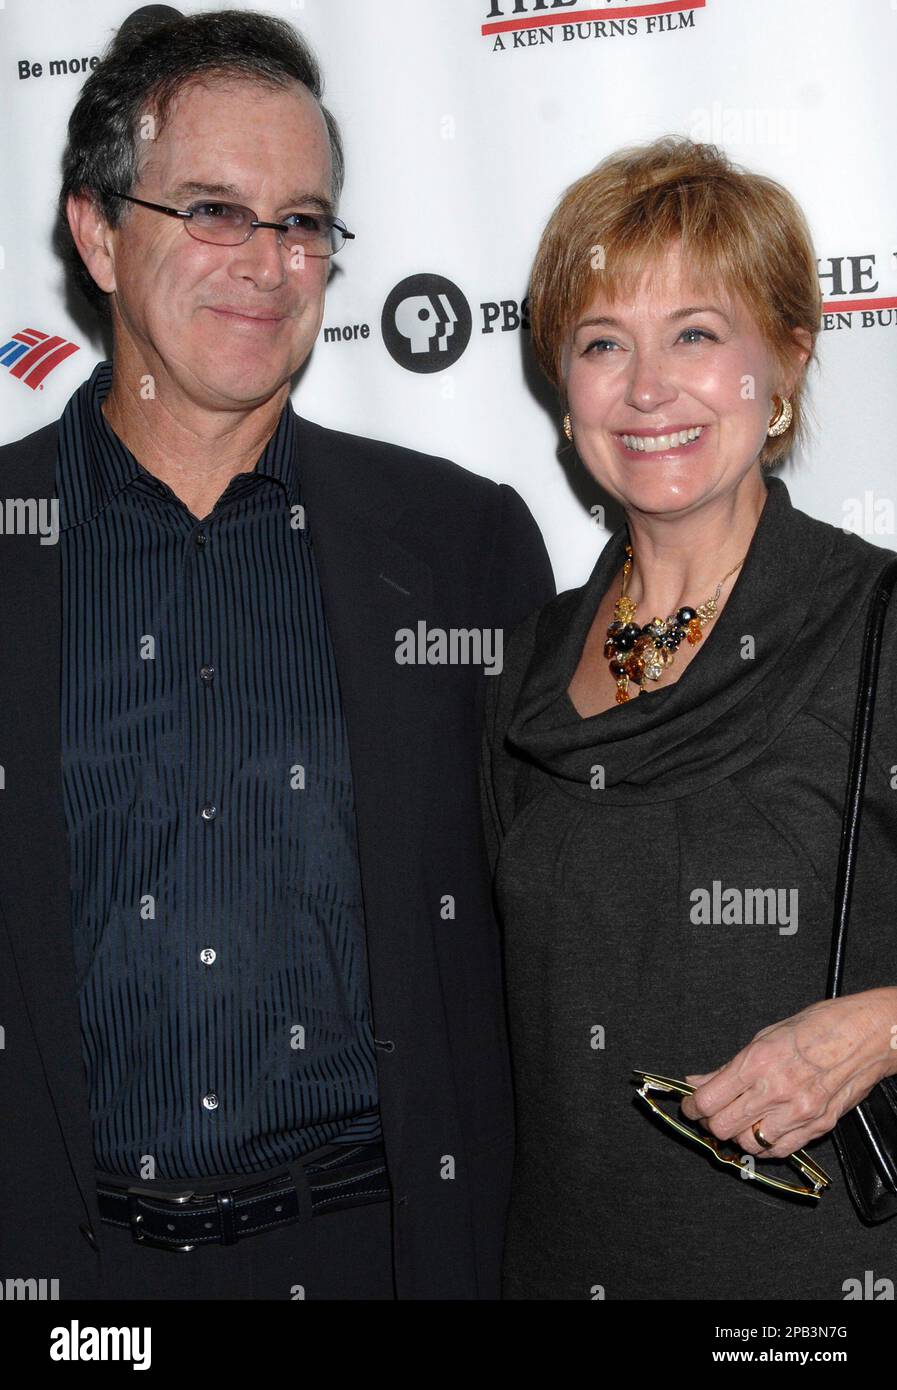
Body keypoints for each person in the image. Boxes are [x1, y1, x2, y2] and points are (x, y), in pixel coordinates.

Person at [0, 9, 554, 1300]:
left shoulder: (460, 544)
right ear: (96, 228)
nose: (266, 261)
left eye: (301, 221)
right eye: (212, 209)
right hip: (68, 1283)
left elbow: (572, 914)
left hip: (384, 1258)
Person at [481, 135, 897, 1300]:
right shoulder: (525, 662)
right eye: (603, 343)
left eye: (697, 335)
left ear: (789, 365)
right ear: (566, 391)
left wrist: (880, 1024)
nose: (647, 387)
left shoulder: (877, 624)